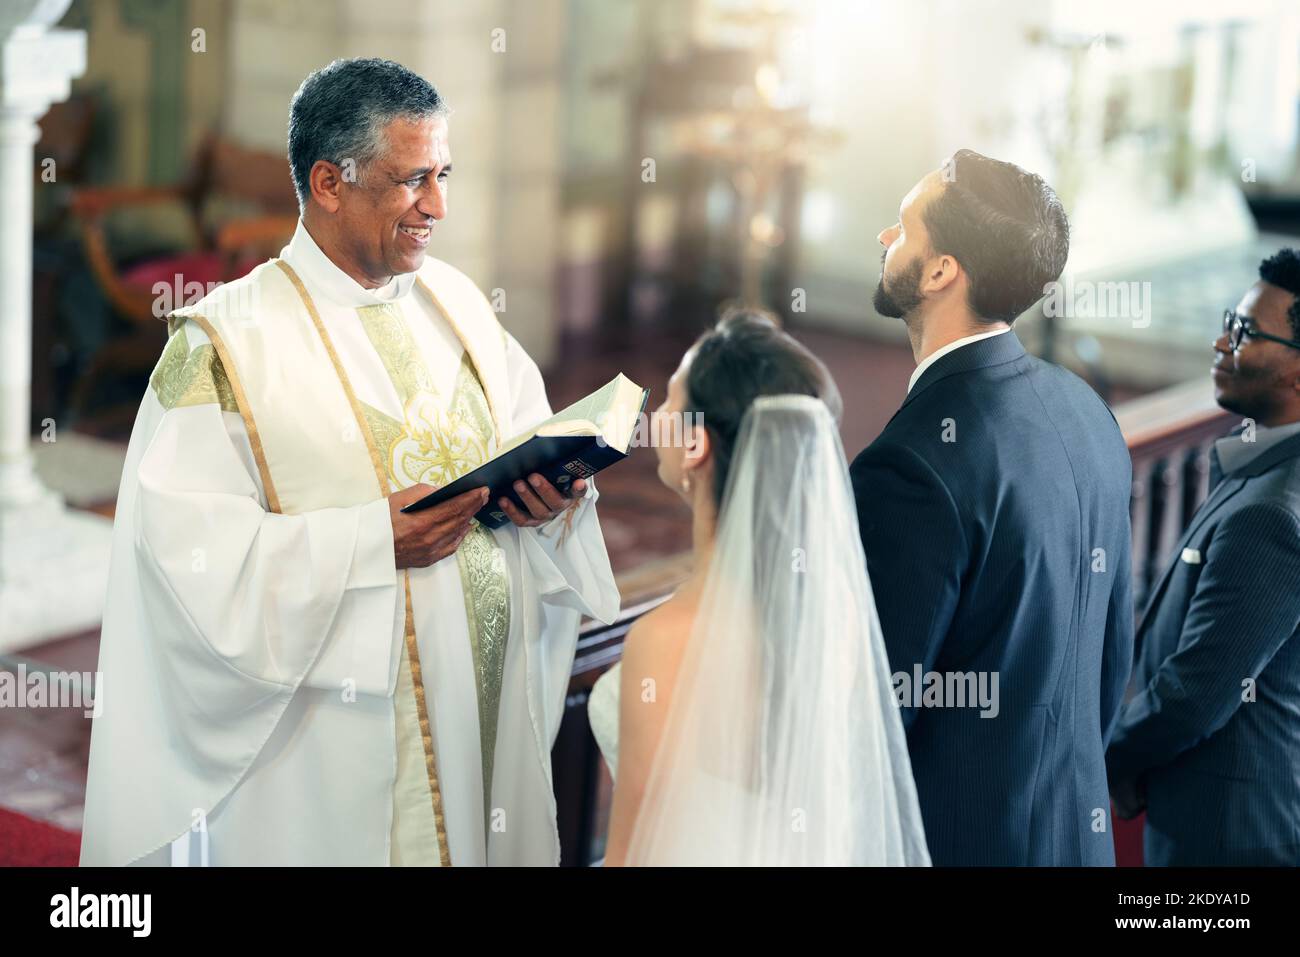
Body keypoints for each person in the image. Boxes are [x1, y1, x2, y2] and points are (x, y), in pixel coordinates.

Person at [80, 58, 619, 867]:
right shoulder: (222, 349)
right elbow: (187, 573)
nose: (437, 206)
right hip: (323, 757)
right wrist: (373, 543)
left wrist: (553, 503)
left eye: (443, 175)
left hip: (478, 719)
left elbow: (529, 443)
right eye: (411, 182)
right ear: (329, 183)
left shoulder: (461, 306)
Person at [850, 150, 1134, 865]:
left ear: (943, 270)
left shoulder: (909, 464)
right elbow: (1107, 657)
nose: (886, 236)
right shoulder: (1088, 411)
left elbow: (874, 719)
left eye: (905, 227)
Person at [590, 309, 929, 866]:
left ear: (695, 445)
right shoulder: (838, 611)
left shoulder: (664, 639)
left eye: (672, 399)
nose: (657, 414)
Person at [1107, 250, 1300, 865]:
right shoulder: (1263, 468)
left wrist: (1112, 759)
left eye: (1245, 333)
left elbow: (1197, 694)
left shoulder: (1270, 515)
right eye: (1228, 320)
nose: (1222, 342)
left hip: (1226, 839)